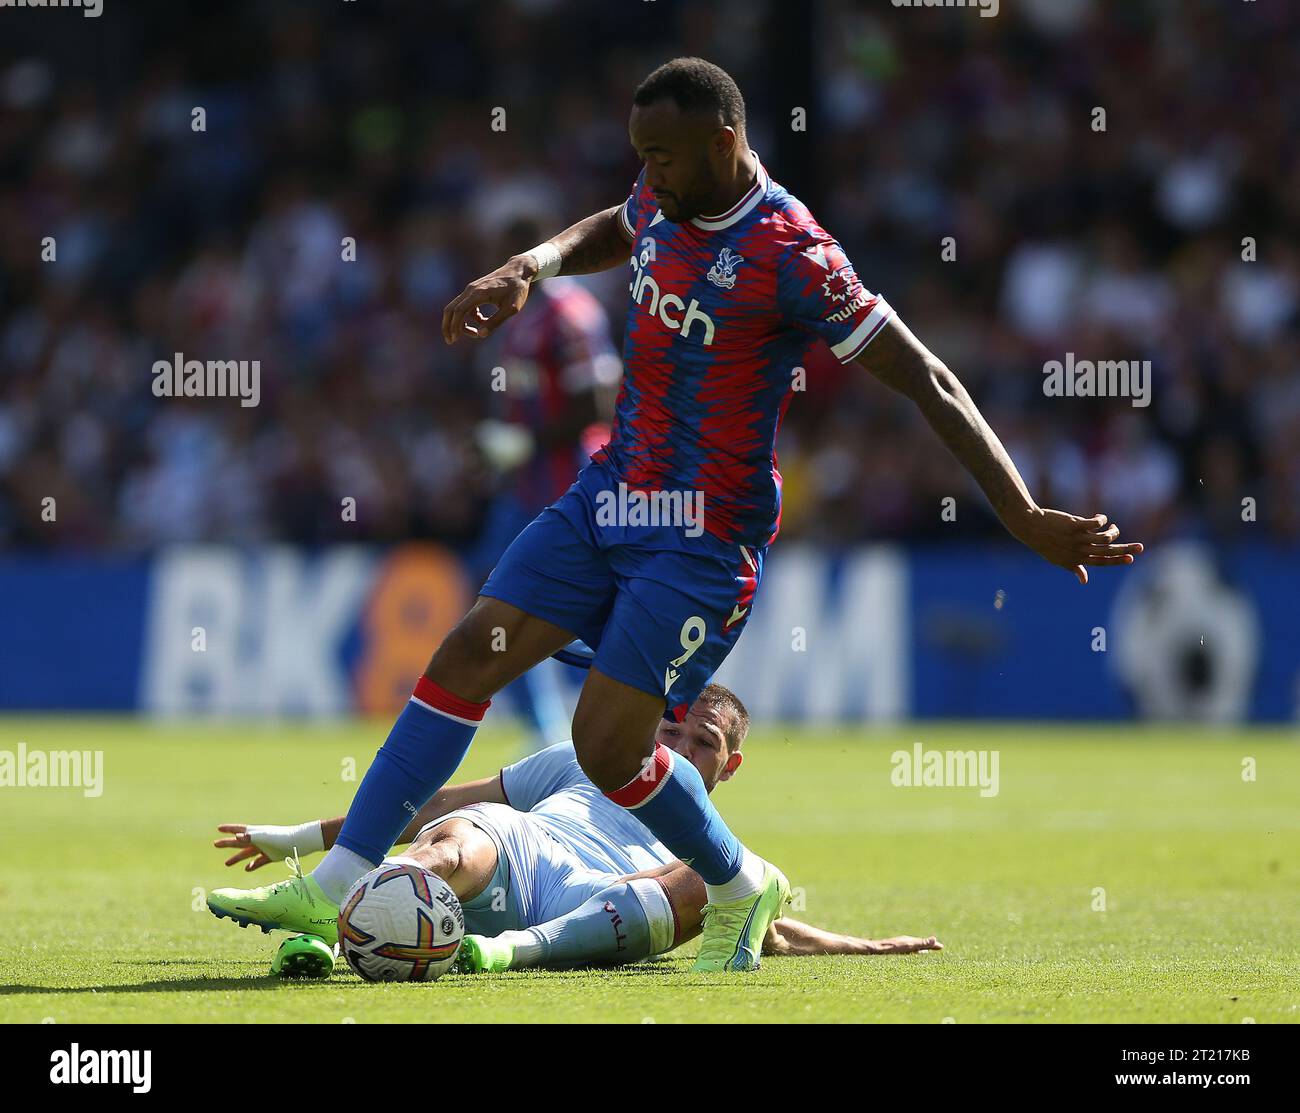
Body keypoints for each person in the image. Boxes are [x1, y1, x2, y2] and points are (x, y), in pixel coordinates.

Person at [208, 56, 1140, 973]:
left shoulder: (794, 253)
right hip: (608, 495)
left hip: (701, 536)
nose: (648, 173)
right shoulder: (664, 193)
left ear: (725, 141)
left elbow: (926, 377)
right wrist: (527, 266)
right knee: (465, 654)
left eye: (663, 155)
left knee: (606, 748)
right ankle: (333, 882)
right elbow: (617, 227)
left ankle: (737, 885)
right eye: (641, 155)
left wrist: (1019, 511)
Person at [213, 685, 942, 973]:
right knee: (456, 840)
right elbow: (433, 802)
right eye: (670, 731)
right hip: (520, 853)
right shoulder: (581, 762)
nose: (681, 751)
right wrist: (308, 837)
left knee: (716, 881)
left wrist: (864, 944)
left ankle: (499, 952)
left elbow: (763, 922)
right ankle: (332, 929)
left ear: (732, 763)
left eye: (703, 743)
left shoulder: (712, 846)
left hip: (598, 900)